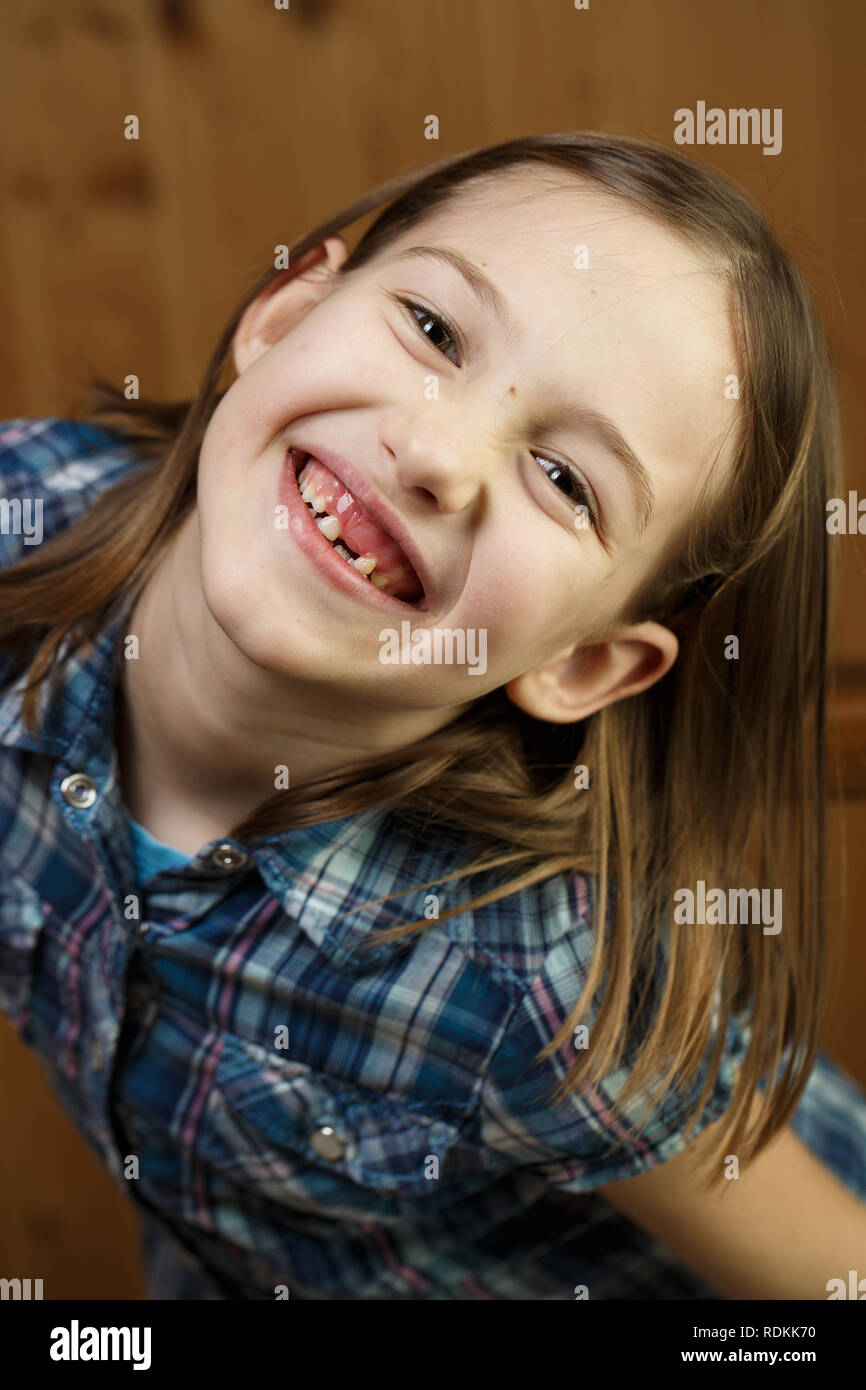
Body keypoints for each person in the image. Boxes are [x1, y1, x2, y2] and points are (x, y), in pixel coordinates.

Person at [1, 131, 865, 1301]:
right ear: (285, 309)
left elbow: (829, 1275)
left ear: (584, 661)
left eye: (565, 481)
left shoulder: (532, 973)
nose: (436, 453)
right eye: (436, 331)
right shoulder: (21, 532)